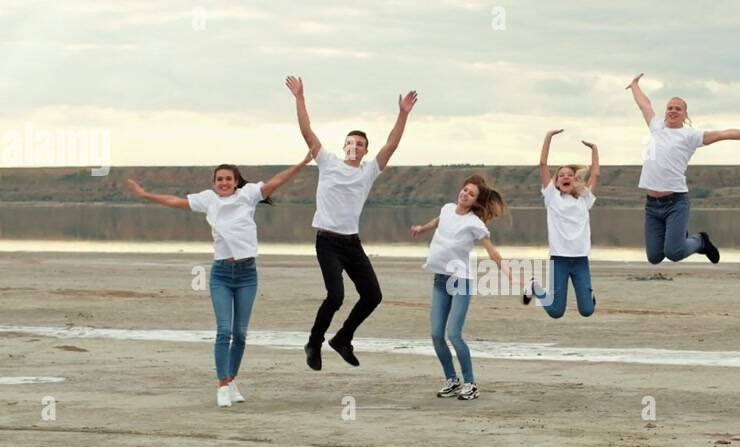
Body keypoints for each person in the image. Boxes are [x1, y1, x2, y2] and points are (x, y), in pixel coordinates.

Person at [126, 153, 313, 406]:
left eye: (228, 179)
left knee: (240, 334)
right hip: (221, 275)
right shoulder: (208, 200)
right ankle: (222, 385)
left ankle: (232, 380)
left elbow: (277, 180)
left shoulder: (248, 195)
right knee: (224, 331)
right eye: (219, 179)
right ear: (214, 183)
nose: (224, 183)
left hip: (247, 275)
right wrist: (145, 195)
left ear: (236, 182)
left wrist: (303, 163)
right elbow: (175, 201)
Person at [285, 75, 418, 370]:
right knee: (335, 296)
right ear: (343, 146)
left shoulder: (368, 171)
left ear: (366, 150)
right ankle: (314, 343)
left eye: (360, 144)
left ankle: (343, 338)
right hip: (327, 241)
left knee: (373, 296)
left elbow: (392, 144)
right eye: (350, 142)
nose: (354, 146)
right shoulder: (327, 162)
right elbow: (307, 131)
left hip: (352, 243)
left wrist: (402, 114)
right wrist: (300, 97)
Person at [626, 73, 740, 266]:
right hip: (651, 204)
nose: (673, 111)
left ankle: (700, 241)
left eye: (678, 108)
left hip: (675, 202)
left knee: (674, 253)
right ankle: (681, 238)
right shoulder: (656, 126)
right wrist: (634, 85)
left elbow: (725, 134)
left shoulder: (690, 135)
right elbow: (644, 105)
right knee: (654, 257)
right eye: (670, 108)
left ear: (685, 114)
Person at [410, 176, 509, 401]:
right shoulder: (447, 209)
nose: (465, 195)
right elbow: (437, 221)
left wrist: (509, 273)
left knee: (454, 334)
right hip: (440, 281)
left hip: (460, 282)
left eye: (471, 194)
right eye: (465, 190)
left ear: (475, 202)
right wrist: (421, 228)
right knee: (436, 335)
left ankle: (470, 384)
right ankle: (452, 380)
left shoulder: (474, 223)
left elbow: (491, 251)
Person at [522, 129, 600, 318]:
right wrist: (548, 136)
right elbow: (543, 164)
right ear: (556, 183)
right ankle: (534, 286)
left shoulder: (584, 199)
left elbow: (595, 174)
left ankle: (589, 296)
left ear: (575, 180)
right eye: (561, 175)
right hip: (559, 260)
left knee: (587, 311)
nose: (566, 177)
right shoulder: (552, 198)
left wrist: (594, 149)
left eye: (570, 175)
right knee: (556, 311)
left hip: (580, 260)